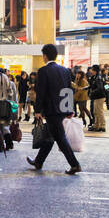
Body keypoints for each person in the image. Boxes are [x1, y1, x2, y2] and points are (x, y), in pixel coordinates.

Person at [28, 43, 82, 175]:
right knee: (50, 136)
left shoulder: (43, 71)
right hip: (62, 109)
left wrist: (38, 111)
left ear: (45, 56)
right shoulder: (65, 70)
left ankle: (75, 165)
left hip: (51, 110)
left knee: (60, 138)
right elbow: (68, 90)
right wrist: (69, 109)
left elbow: (41, 92)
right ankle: (38, 161)